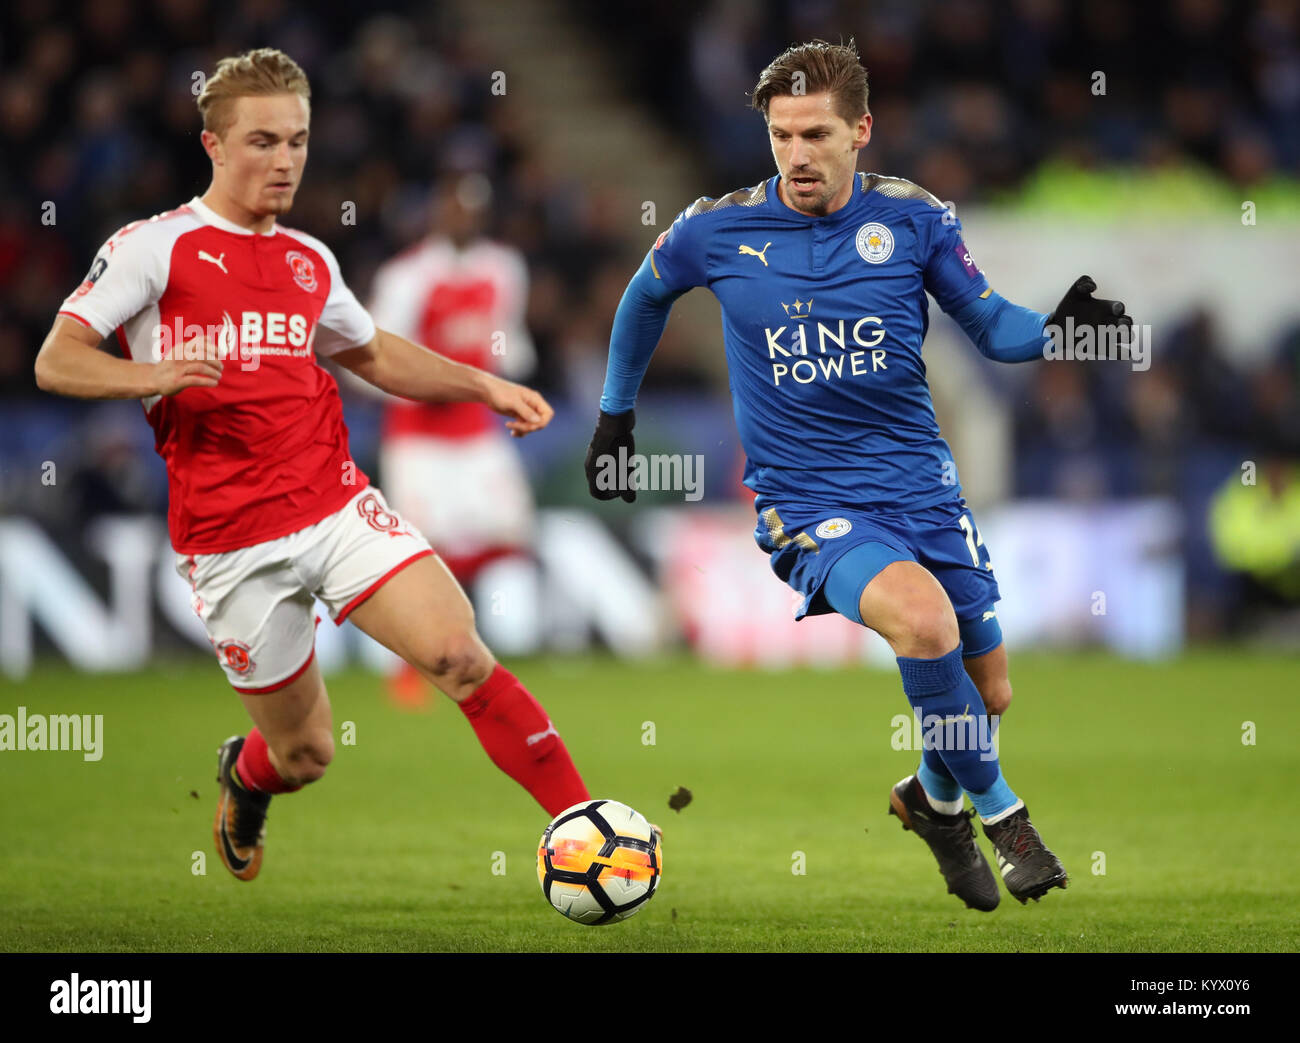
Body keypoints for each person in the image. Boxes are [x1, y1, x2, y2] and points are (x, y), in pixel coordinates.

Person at [585, 40, 1131, 910]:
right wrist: (616, 418)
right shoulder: (715, 229)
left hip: (922, 489)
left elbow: (991, 326)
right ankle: (1006, 818)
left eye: (816, 134)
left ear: (861, 131)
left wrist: (1063, 328)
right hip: (811, 502)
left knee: (987, 692)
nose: (796, 155)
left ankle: (930, 798)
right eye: (781, 135)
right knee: (921, 619)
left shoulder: (913, 220)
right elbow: (643, 297)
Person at [35, 48, 589, 881]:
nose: (285, 159)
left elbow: (369, 353)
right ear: (213, 145)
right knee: (306, 752)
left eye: (296, 141)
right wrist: (149, 375)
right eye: (262, 141)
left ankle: (587, 829)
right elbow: (56, 358)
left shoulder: (308, 259)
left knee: (459, 655)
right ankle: (246, 775)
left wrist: (483, 382)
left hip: (333, 503)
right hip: (228, 539)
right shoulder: (155, 250)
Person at [366, 174, 538, 708]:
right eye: (455, 207)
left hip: (476, 430)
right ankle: (403, 665)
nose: (465, 218)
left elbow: (511, 343)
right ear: (438, 211)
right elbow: (371, 360)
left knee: (507, 533)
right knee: (419, 548)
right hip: (418, 439)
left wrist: (502, 368)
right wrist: (430, 379)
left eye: (474, 209)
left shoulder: (504, 268)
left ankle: (495, 654)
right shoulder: (407, 277)